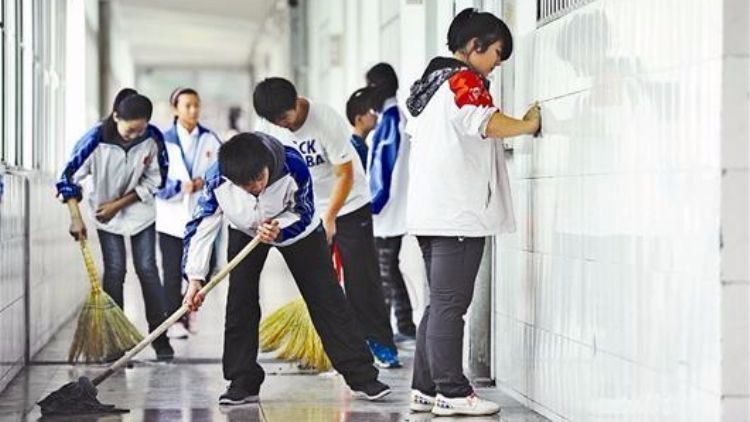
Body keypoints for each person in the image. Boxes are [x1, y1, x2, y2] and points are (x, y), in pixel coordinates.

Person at [181, 132, 390, 405]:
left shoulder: (292, 164)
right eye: (247, 186)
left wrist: (279, 229)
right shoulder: (216, 178)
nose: (257, 187)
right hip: (245, 230)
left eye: (260, 178)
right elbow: (201, 226)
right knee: (240, 303)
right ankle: (242, 381)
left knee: (328, 299)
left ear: (266, 165)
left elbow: (304, 211)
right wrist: (195, 278)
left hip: (297, 230)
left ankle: (362, 376)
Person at [405, 8, 541, 416]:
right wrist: (527, 125)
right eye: (496, 54)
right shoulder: (463, 80)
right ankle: (453, 392)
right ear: (474, 46)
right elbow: (484, 122)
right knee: (450, 306)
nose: (497, 64)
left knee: (438, 304)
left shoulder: (430, 86)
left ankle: (426, 388)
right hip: (457, 214)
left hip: (431, 212)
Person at [253, 78, 400, 368]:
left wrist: (330, 217)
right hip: (306, 208)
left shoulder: (325, 119)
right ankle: (332, 345)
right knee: (319, 281)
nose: (282, 124)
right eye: (275, 121)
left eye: (284, 117)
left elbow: (344, 174)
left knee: (361, 279)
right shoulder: (270, 129)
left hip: (349, 203)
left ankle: (380, 342)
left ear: (296, 102)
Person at [57, 88, 174, 361]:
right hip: (105, 218)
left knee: (147, 269)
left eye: (140, 130)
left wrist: (118, 204)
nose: (135, 135)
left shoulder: (152, 138)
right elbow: (67, 178)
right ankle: (114, 343)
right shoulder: (95, 140)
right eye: (130, 130)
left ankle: (160, 339)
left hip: (140, 212)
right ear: (115, 116)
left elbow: (157, 180)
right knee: (115, 271)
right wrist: (76, 218)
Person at [156, 87, 222, 339]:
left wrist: (204, 183)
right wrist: (179, 187)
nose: (193, 110)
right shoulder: (162, 141)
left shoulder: (210, 139)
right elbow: (154, 180)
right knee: (172, 272)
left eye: (197, 105)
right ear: (175, 109)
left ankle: (188, 311)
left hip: (201, 217)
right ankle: (173, 320)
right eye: (188, 106)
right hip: (171, 218)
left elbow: (222, 171)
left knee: (206, 266)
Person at [365, 62, 417, 342]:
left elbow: (385, 171)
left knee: (382, 272)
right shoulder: (390, 118)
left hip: (387, 210)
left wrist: (373, 205)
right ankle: (405, 325)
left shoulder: (392, 121)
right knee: (390, 269)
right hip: (389, 209)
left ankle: (381, 333)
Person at [345, 86, 378, 170]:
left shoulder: (355, 145)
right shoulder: (358, 149)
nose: (376, 115)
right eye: (372, 111)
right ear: (359, 119)